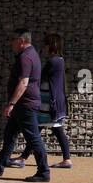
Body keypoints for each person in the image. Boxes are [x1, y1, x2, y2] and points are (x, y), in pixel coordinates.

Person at [0, 28, 50, 182]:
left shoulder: (25, 57)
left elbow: (23, 82)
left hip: (24, 105)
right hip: (23, 105)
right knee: (9, 135)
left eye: (13, 40)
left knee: (33, 138)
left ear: (21, 41)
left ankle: (44, 172)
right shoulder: (32, 54)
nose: (11, 43)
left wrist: (11, 103)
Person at [20, 32, 71, 169]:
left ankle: (23, 157)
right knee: (52, 130)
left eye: (46, 44)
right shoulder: (59, 60)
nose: (44, 47)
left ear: (51, 45)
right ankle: (66, 159)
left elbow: (40, 77)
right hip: (52, 102)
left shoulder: (53, 61)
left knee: (36, 129)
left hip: (48, 103)